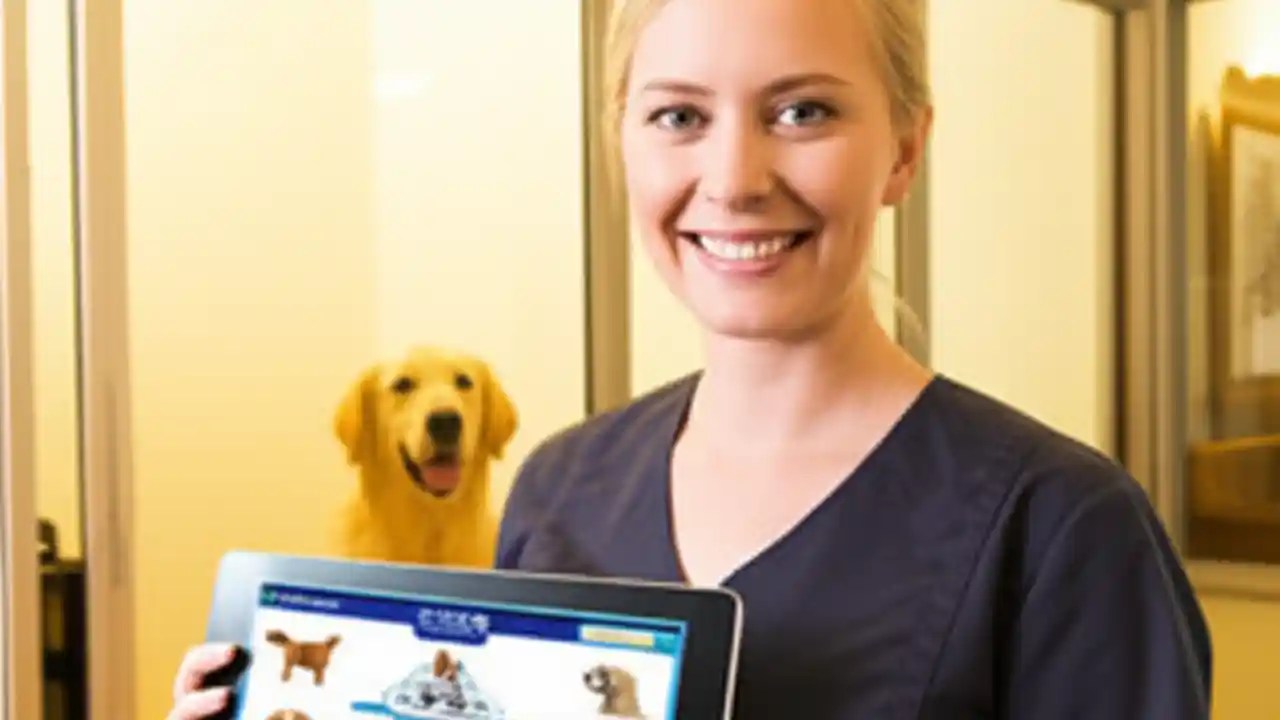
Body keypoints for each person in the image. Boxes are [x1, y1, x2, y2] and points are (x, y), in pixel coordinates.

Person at [168, 0, 1213, 717]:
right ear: (621, 141)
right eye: (677, 115)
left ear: (902, 147)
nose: (733, 178)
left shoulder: (1060, 527)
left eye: (801, 112)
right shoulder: (559, 488)